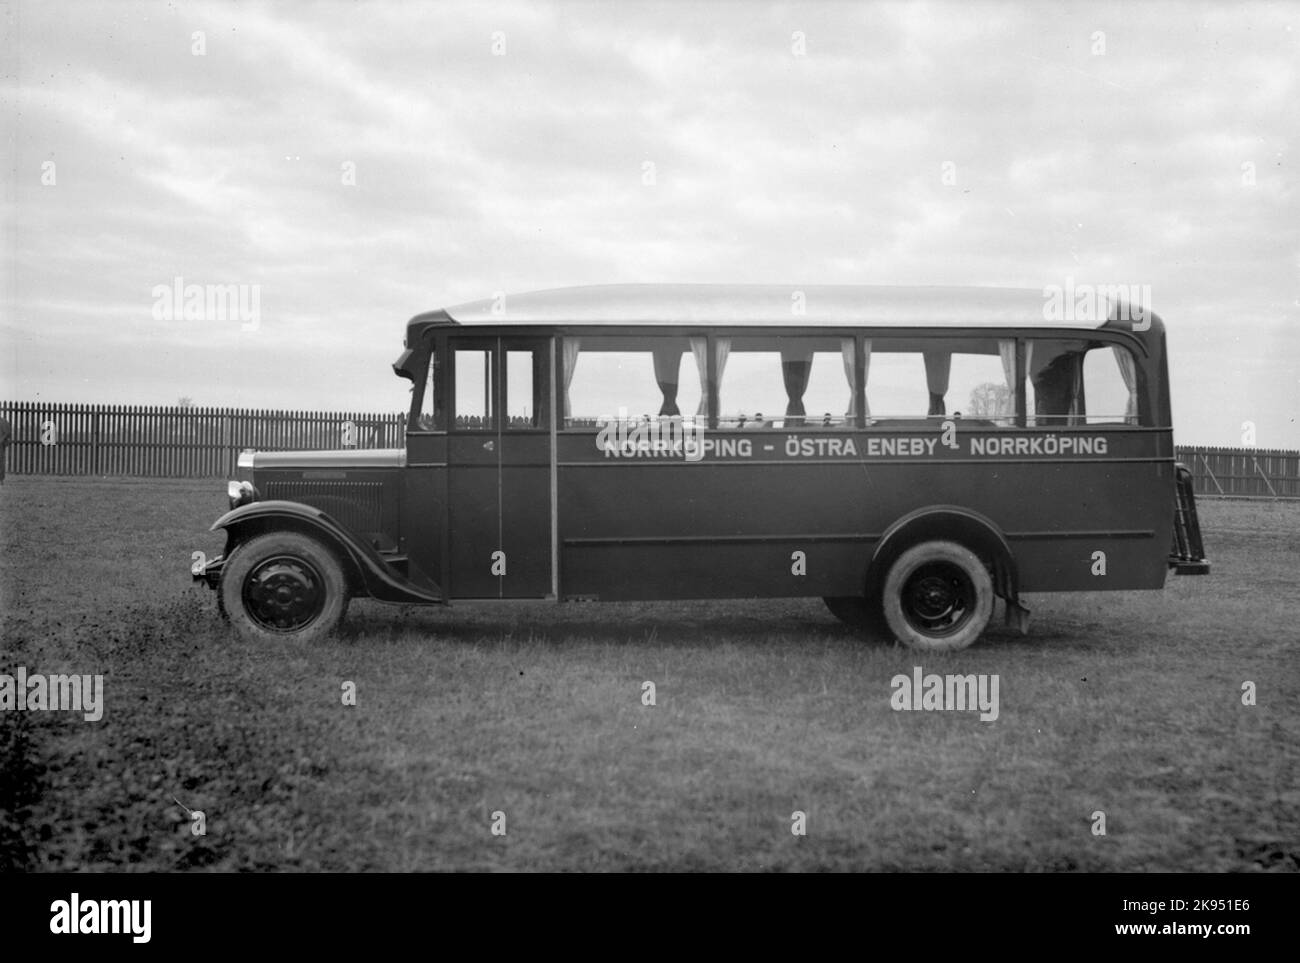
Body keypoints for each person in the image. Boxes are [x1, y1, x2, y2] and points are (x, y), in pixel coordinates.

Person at [0, 415, 10, 484]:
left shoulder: (3, 421)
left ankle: (1, 479)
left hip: (1, 445)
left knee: (1, 461)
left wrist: (1, 441)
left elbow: (7, 433)